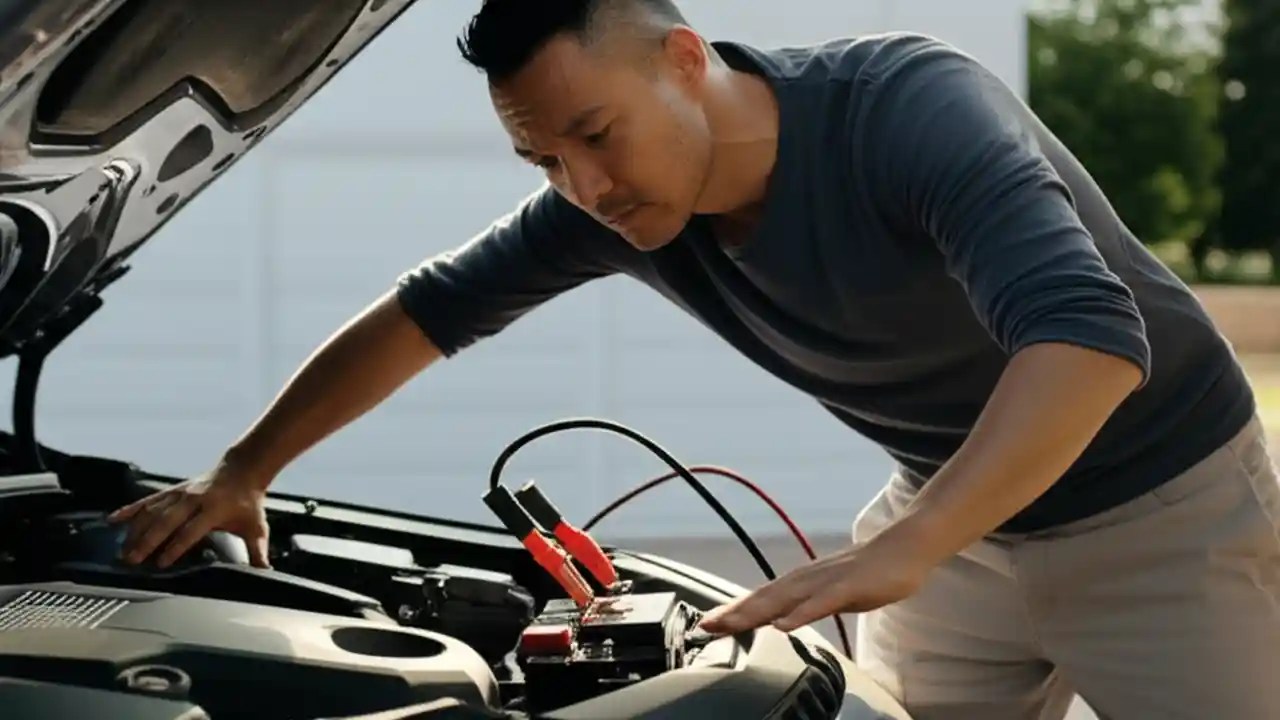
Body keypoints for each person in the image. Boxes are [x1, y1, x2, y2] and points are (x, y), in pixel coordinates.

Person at [108, 1, 1280, 717]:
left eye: (594, 135)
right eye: (543, 163)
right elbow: (424, 312)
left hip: (1161, 512)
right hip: (958, 519)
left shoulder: (906, 107)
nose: (584, 188)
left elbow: (1083, 335)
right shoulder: (604, 207)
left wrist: (917, 545)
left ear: (681, 59)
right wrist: (240, 470)